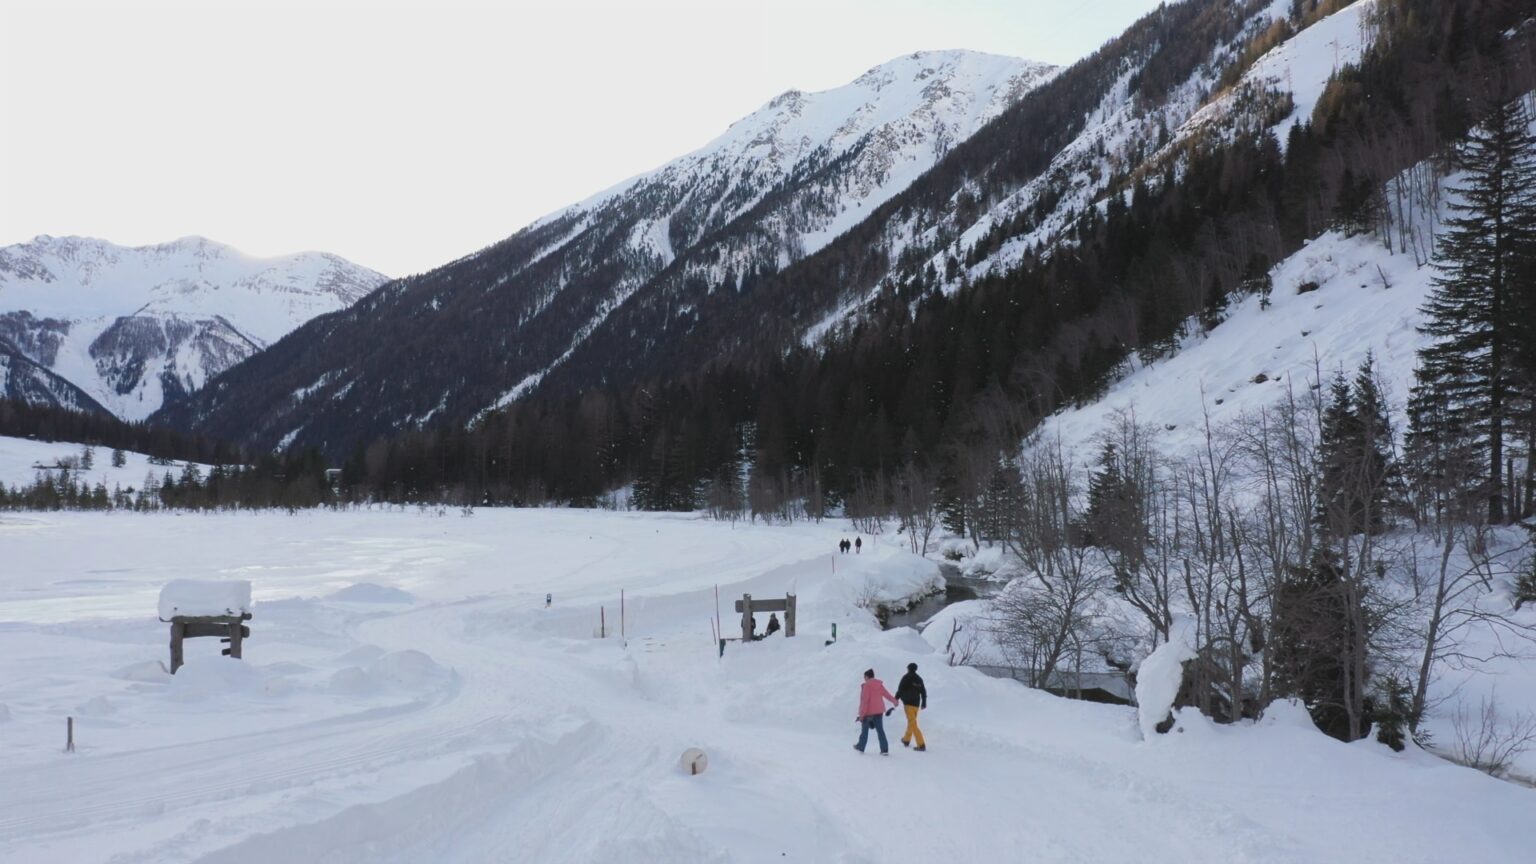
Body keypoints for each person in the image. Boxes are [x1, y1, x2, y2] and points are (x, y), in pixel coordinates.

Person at [853, 668, 900, 754]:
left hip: (868, 713)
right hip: (879, 711)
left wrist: (861, 715)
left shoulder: (866, 686)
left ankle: (861, 746)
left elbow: (865, 701)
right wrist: (894, 701)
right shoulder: (879, 685)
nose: (864, 678)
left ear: (867, 676)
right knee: (880, 730)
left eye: (864, 677)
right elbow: (886, 694)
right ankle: (884, 749)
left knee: (864, 731)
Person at [896, 662, 928, 751]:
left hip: (908, 704)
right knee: (912, 722)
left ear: (908, 668)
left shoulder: (906, 677)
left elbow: (900, 689)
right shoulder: (919, 679)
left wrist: (895, 699)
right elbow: (923, 692)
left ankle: (921, 744)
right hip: (916, 705)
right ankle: (906, 739)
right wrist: (924, 702)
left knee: (913, 724)